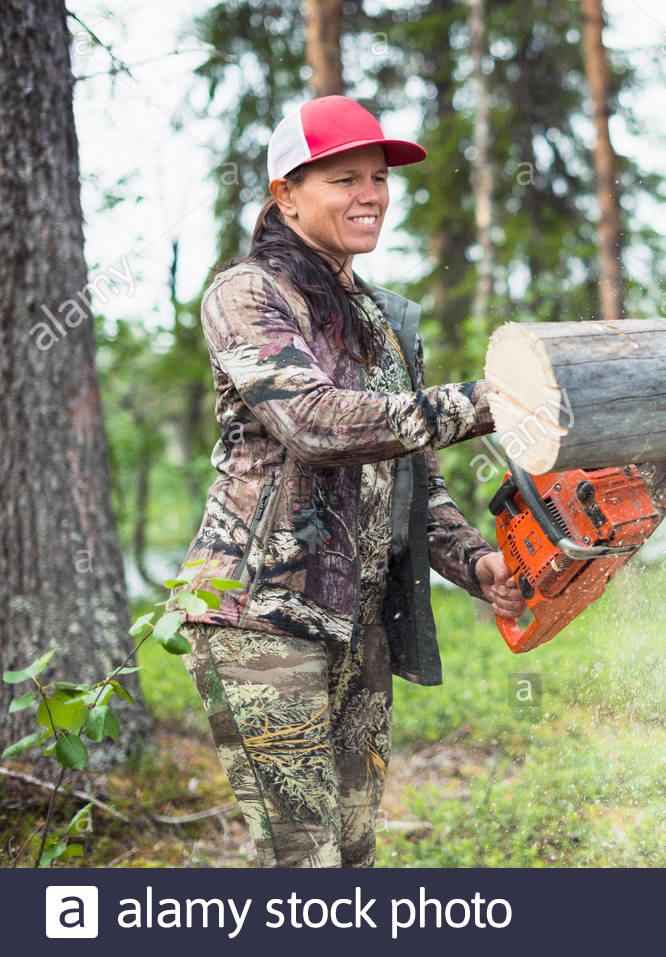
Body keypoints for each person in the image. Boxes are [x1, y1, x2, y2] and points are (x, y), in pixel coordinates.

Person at [168, 95, 525, 868]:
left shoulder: (384, 318)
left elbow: (416, 485)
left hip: (358, 623)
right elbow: (317, 423)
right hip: (256, 618)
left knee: (354, 854)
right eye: (344, 179)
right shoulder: (247, 294)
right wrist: (487, 401)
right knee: (308, 862)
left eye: (378, 179)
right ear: (285, 194)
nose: (370, 195)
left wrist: (478, 562)